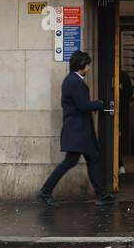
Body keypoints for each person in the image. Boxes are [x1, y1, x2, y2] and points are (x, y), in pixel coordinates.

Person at [37, 50, 115, 206]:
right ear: (82, 66)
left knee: (93, 159)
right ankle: (45, 191)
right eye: (88, 65)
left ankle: (102, 194)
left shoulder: (72, 80)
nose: (89, 68)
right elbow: (83, 105)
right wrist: (99, 104)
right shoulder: (74, 82)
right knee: (70, 162)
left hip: (81, 130)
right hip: (77, 130)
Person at [118, 69, 133, 176]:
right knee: (118, 138)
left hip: (116, 112)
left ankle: (118, 164)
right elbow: (129, 94)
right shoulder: (124, 75)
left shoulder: (106, 73)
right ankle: (119, 165)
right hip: (122, 112)